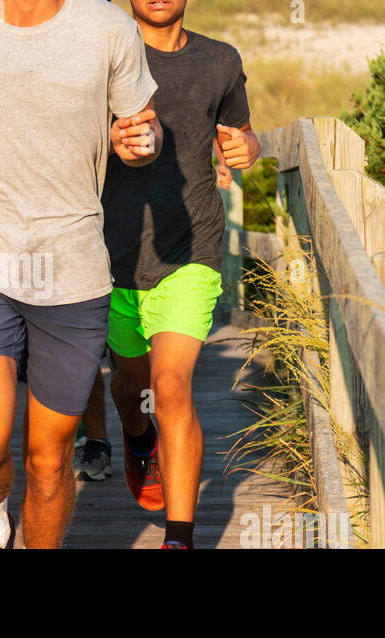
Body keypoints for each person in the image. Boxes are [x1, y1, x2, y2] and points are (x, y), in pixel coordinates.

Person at [0, 0, 161, 548]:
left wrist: (139, 145)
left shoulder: (109, 27)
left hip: (71, 263)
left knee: (49, 461)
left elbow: (143, 129)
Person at [102, 0, 259, 549]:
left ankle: (179, 537)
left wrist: (248, 146)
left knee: (171, 387)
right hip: (109, 252)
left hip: (190, 247)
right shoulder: (104, 55)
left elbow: (239, 132)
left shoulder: (219, 60)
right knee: (130, 385)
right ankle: (138, 440)